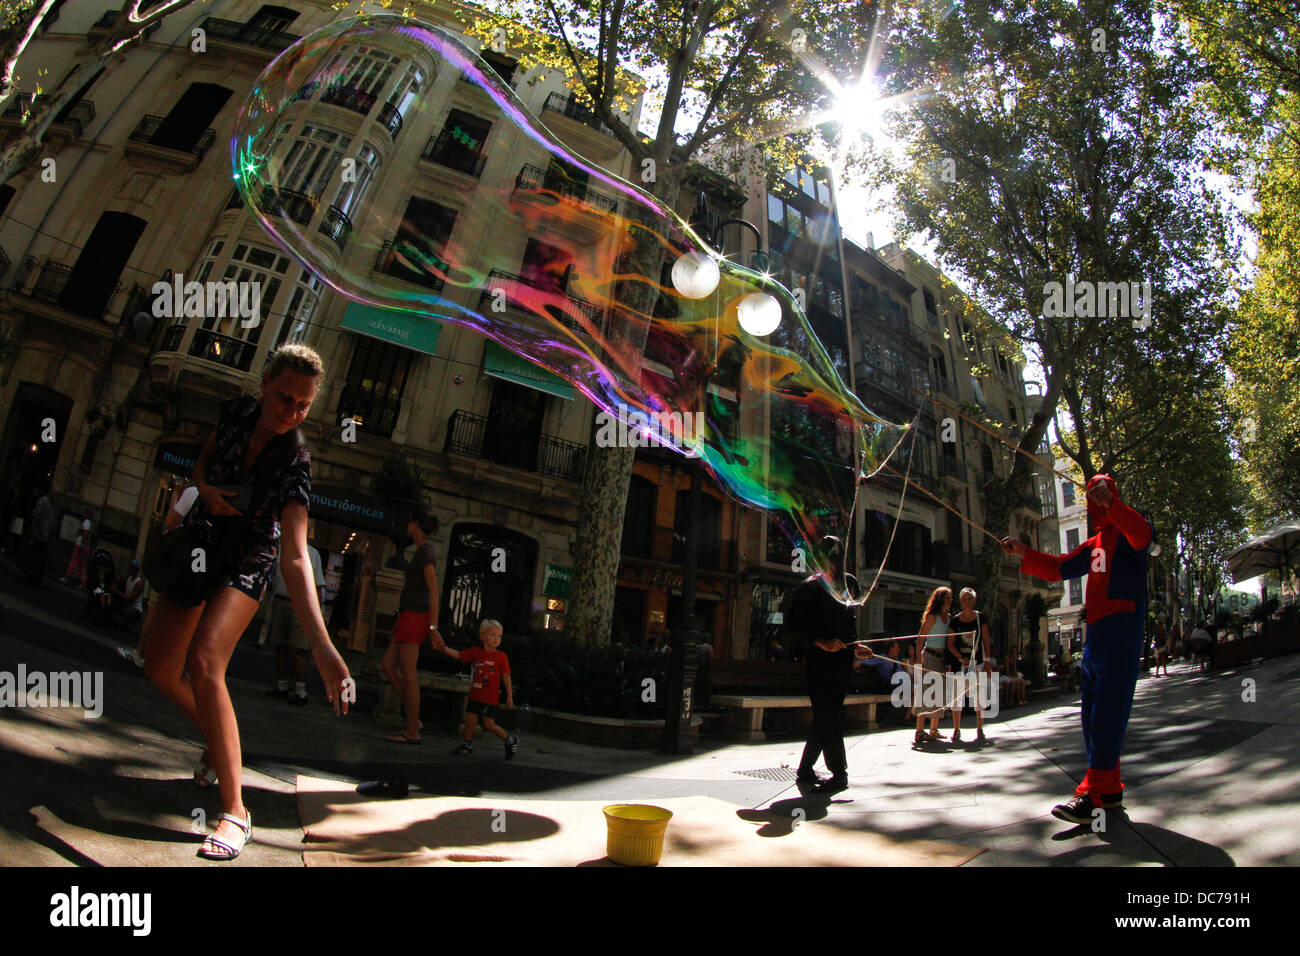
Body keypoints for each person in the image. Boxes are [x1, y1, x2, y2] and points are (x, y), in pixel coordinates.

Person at [142, 345, 351, 861]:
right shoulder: (235, 413)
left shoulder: (295, 461)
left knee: (206, 661)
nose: (291, 412)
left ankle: (235, 810)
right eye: (284, 398)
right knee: (160, 666)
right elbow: (202, 463)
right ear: (264, 385)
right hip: (200, 547)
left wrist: (321, 644)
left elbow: (297, 558)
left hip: (247, 562)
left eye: (303, 405)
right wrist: (206, 491)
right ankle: (220, 746)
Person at [1002, 473, 1153, 824]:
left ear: (1112, 493)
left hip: (1121, 629)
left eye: (1101, 491)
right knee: (1091, 715)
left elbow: (1142, 535)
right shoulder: (1095, 543)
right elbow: (1058, 568)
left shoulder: (1133, 529)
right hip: (1096, 634)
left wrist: (1113, 506)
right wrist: (1023, 551)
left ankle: (1093, 795)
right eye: (1092, 494)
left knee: (1106, 714)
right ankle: (1110, 788)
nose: (1093, 500)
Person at [785, 536, 871, 793]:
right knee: (827, 714)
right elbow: (793, 626)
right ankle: (839, 773)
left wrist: (857, 646)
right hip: (819, 661)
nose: (833, 559)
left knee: (826, 713)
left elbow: (849, 625)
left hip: (841, 661)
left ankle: (805, 769)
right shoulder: (809, 587)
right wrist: (821, 642)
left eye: (837, 554)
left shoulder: (848, 583)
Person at [381, 509, 442, 743]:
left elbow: (433, 589)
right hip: (408, 615)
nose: (407, 525)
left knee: (408, 675)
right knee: (388, 666)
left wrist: (433, 628)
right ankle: (412, 719)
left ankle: (412, 729)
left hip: (416, 616)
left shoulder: (426, 552)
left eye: (409, 521)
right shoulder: (421, 551)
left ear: (415, 524)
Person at [440, 619, 518, 758]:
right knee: (470, 721)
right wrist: (444, 649)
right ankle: (467, 744)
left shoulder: (501, 657)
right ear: (483, 636)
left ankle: (509, 739)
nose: (496, 639)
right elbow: (459, 655)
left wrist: (509, 696)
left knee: (488, 724)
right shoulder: (476, 652)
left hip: (490, 698)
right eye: (493, 635)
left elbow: (506, 677)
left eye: (499, 636)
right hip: (475, 695)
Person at [265, 544, 325, 704]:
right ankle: (282, 685)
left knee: (298, 648)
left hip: (301, 603)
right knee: (280, 645)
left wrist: (316, 616)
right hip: (280, 600)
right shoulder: (279, 549)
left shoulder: (313, 553)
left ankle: (300, 690)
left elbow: (318, 584)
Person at [948, 588, 992, 742]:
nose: (966, 601)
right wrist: (960, 658)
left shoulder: (981, 618)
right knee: (957, 697)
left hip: (977, 662)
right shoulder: (955, 620)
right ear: (961, 602)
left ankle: (980, 729)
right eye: (964, 599)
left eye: (969, 598)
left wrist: (987, 662)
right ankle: (956, 729)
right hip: (959, 664)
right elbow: (950, 643)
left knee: (979, 696)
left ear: (974, 600)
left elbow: (986, 640)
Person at [915, 586, 953, 746]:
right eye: (948, 597)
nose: (951, 600)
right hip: (930, 657)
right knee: (926, 693)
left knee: (938, 694)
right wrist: (918, 659)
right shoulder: (932, 617)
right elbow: (920, 639)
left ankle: (933, 730)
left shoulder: (948, 618)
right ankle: (919, 731)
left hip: (941, 659)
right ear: (941, 600)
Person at [25, 480, 57, 594]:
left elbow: (51, 521)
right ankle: (31, 577)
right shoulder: (43, 502)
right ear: (50, 492)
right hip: (40, 534)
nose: (55, 496)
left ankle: (36, 578)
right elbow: (37, 517)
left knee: (41, 558)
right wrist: (35, 531)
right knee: (36, 556)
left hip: (45, 535)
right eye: (54, 493)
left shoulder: (51, 504)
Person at [60, 508, 93, 587]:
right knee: (82, 564)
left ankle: (66, 577)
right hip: (85, 546)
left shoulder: (86, 522)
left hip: (81, 545)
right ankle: (83, 582)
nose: (83, 514)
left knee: (73, 561)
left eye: (85, 513)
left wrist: (81, 543)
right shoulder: (90, 523)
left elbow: (84, 533)